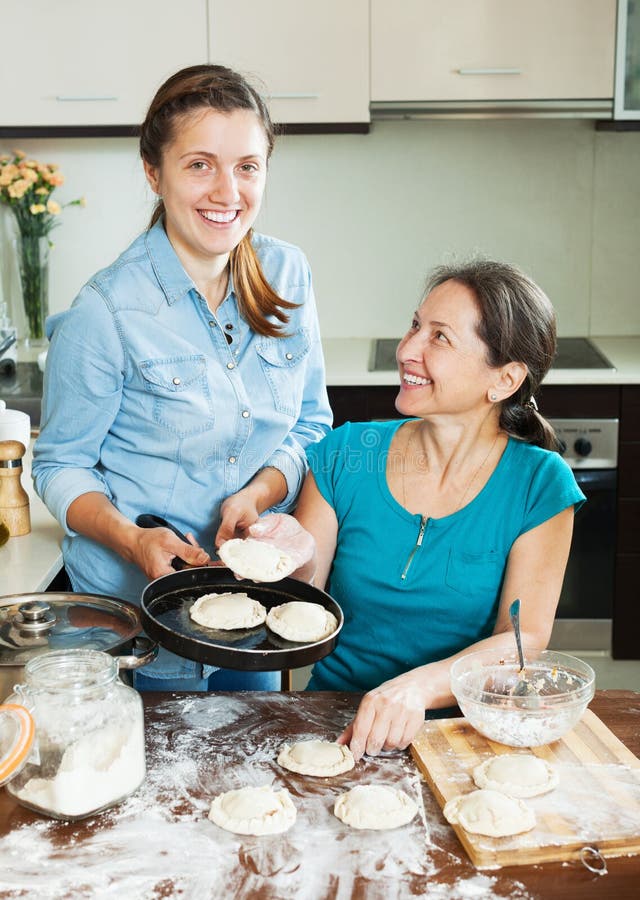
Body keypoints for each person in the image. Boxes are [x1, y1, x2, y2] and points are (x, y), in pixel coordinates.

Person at [32, 64, 332, 691]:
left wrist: (255, 496)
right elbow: (61, 466)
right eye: (200, 164)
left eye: (247, 166)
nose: (228, 191)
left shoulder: (287, 273)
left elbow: (309, 423)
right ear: (154, 172)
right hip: (136, 623)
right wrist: (129, 541)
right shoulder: (105, 311)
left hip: (251, 611)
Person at [248, 259, 585, 758]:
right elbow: (305, 600)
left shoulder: (539, 484)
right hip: (332, 722)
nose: (407, 350)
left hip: (461, 738)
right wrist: (287, 558)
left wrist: (415, 690)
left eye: (440, 338)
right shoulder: (345, 453)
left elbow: (523, 639)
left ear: (505, 379)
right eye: (414, 326)